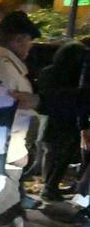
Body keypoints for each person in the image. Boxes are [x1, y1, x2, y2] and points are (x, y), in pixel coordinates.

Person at [34, 41, 86, 202]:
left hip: (48, 118)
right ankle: (50, 187)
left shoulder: (48, 71)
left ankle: (48, 185)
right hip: (67, 120)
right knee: (62, 155)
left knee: (51, 152)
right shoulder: (74, 75)